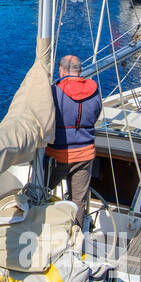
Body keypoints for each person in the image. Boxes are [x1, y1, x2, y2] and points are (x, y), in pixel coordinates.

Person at [46, 54, 101, 226]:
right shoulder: (94, 90)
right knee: (79, 200)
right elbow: (97, 112)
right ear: (80, 71)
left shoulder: (54, 91)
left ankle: (42, 226)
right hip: (85, 153)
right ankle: (75, 233)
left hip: (58, 154)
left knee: (41, 192)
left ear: (61, 71)